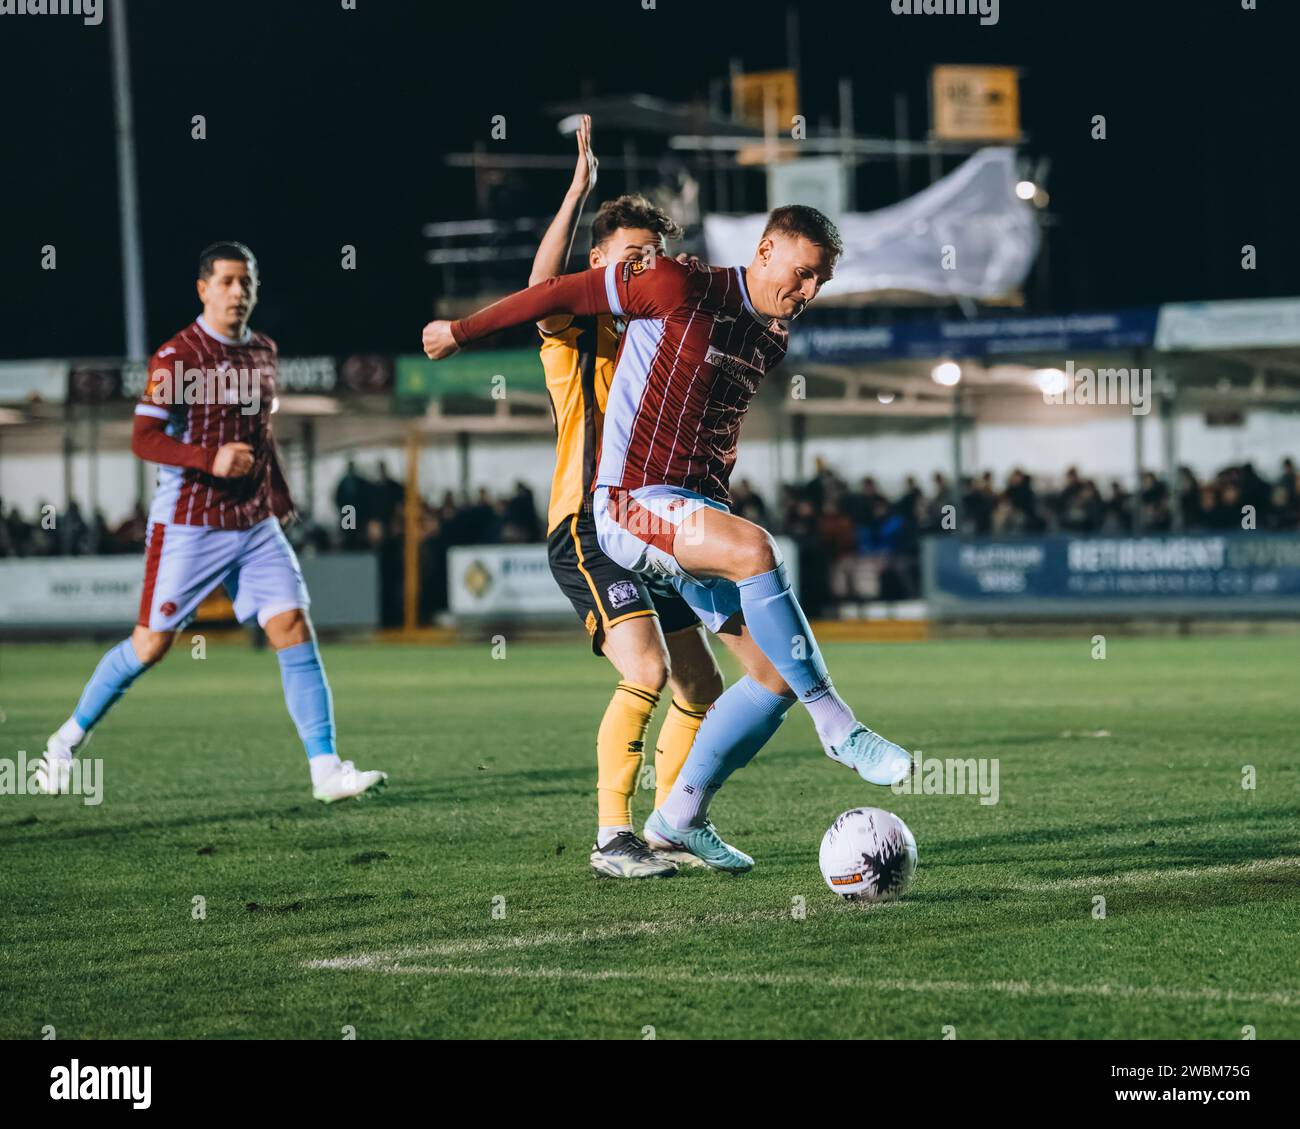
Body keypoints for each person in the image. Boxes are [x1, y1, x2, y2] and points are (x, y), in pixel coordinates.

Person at [423, 204, 910, 872]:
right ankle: (838, 726)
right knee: (755, 551)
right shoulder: (676, 283)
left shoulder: (769, 335)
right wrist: (459, 330)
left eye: (820, 281)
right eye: (802, 274)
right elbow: (556, 293)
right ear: (765, 250)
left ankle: (679, 817)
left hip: (691, 515)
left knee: (769, 675)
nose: (809, 293)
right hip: (629, 506)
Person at [36, 242, 386, 804]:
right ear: (203, 288)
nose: (238, 292)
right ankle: (65, 741)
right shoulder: (178, 357)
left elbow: (260, 436)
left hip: (252, 525)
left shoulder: (264, 352)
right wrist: (208, 459)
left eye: (247, 282)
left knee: (292, 626)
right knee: (150, 646)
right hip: (190, 524)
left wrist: (277, 493)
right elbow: (143, 437)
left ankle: (326, 770)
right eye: (226, 281)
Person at [529, 116, 723, 878]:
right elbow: (541, 290)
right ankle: (613, 836)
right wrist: (577, 190)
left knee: (701, 681)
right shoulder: (579, 328)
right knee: (643, 669)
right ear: (600, 261)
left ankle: (672, 826)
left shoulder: (660, 328)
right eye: (632, 254)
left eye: (656, 254)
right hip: (585, 524)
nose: (649, 264)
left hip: (647, 523)